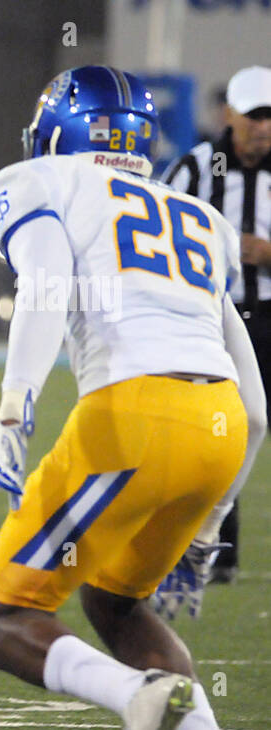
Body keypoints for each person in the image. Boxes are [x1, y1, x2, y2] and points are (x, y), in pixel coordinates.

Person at [0, 66, 268, 730]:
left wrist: (14, 405)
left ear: (59, 132)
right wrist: (210, 524)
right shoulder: (198, 215)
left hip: (134, 413)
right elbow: (258, 403)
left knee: (5, 617)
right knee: (113, 600)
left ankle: (136, 694)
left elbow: (43, 279)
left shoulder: (37, 179)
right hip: (220, 426)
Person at [157, 66, 271, 592]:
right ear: (229, 115)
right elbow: (154, 236)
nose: (264, 127)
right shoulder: (192, 170)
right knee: (221, 432)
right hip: (215, 322)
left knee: (250, 423)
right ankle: (215, 551)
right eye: (255, 115)